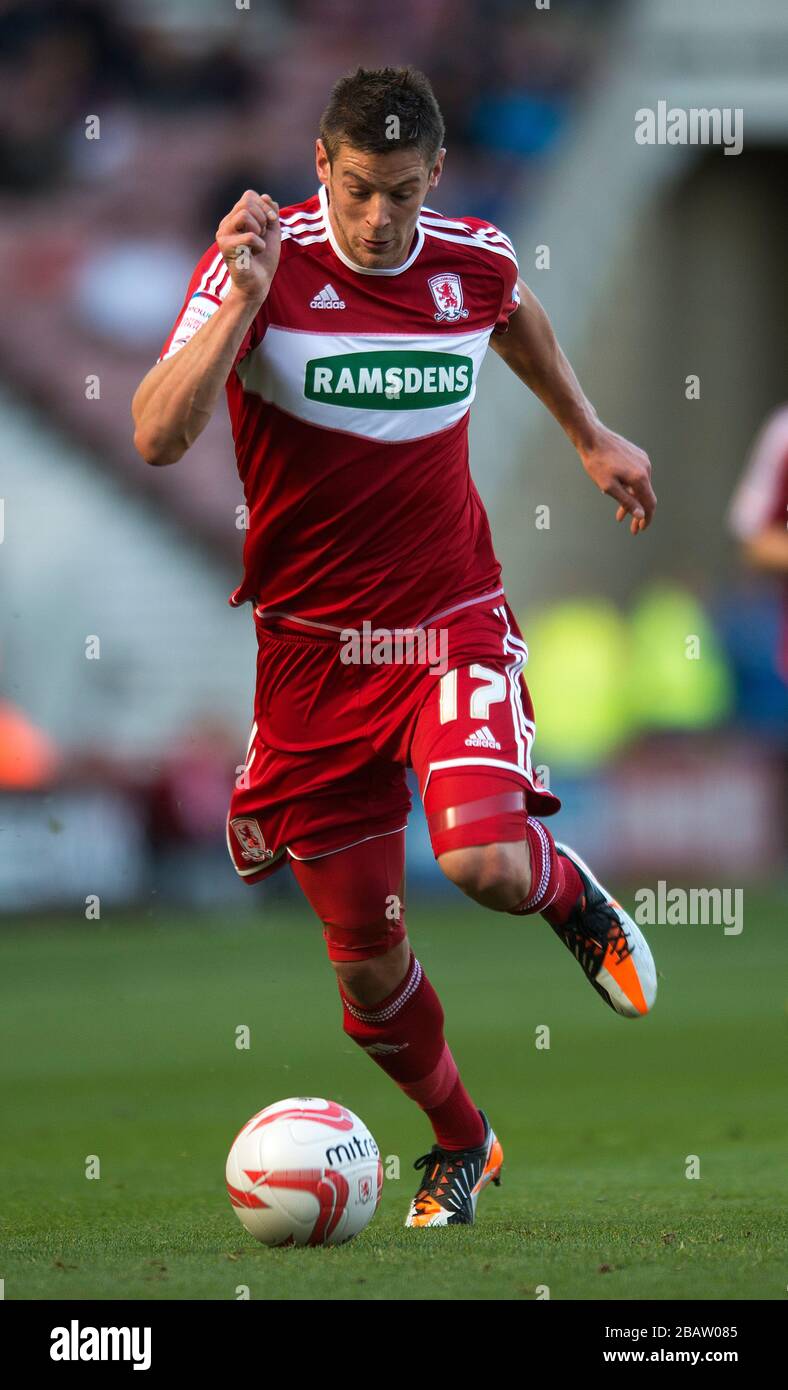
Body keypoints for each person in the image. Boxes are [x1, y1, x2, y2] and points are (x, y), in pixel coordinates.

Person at [132, 66, 658, 1229]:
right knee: (366, 974)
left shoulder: (469, 258)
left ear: (438, 178)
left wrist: (585, 431)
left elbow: (511, 308)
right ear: (321, 167)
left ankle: (564, 893)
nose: (381, 219)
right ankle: (463, 1143)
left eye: (405, 193)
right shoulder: (256, 264)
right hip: (311, 660)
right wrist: (237, 303)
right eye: (361, 190)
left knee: (479, 862)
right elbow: (157, 435)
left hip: (445, 624)